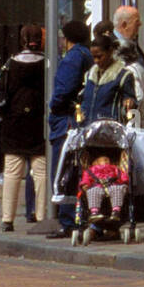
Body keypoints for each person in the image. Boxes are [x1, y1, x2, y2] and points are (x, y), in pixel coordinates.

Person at [0, 24, 48, 232]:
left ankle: (7, 219)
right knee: (41, 173)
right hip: (38, 122)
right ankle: (42, 216)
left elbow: (4, 91)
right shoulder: (47, 63)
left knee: (12, 173)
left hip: (14, 122)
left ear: (22, 40)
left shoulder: (11, 63)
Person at [48, 20, 94, 238]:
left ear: (67, 39)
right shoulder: (88, 55)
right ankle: (80, 216)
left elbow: (63, 90)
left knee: (64, 169)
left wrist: (53, 106)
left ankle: (68, 220)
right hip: (80, 117)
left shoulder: (73, 57)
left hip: (67, 120)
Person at [113, 6, 144, 134]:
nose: (140, 24)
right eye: (137, 22)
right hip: (129, 120)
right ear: (124, 25)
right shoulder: (112, 48)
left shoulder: (132, 44)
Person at [82, 35, 137, 123]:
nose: (96, 61)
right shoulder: (89, 75)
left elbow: (130, 101)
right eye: (93, 57)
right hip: (88, 127)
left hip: (110, 128)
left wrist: (129, 103)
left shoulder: (123, 76)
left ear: (110, 52)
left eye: (99, 56)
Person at [80, 154, 130, 222]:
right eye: (105, 160)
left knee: (118, 189)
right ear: (96, 162)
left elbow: (122, 174)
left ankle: (116, 211)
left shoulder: (114, 168)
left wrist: (125, 181)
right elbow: (86, 178)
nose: (107, 161)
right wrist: (85, 184)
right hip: (97, 185)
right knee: (92, 191)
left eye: (108, 160)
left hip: (113, 184)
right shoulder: (91, 170)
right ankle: (94, 212)